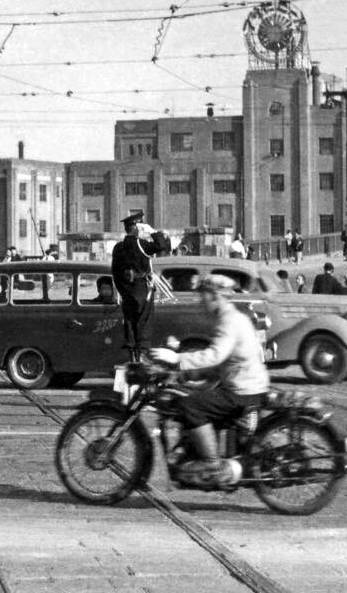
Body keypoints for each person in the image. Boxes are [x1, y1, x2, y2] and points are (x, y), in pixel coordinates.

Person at [149, 275, 269, 490]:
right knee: (194, 395)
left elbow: (216, 355)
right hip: (243, 382)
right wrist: (187, 374)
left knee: (190, 405)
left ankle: (212, 464)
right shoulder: (231, 317)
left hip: (243, 389)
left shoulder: (229, 321)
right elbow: (222, 363)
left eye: (203, 296)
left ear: (215, 296)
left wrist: (177, 359)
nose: (200, 301)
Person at [111, 210, 162, 361]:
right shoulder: (141, 244)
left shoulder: (118, 247)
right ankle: (142, 355)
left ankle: (132, 355)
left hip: (127, 291)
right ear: (135, 228)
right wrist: (152, 232)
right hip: (142, 289)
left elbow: (115, 272)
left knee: (129, 322)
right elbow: (161, 245)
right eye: (141, 226)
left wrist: (123, 290)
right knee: (144, 322)